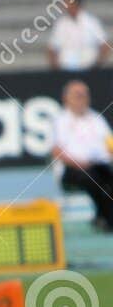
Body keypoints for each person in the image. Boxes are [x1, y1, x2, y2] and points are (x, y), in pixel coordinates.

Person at [52, 79, 113, 230]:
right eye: (77, 95)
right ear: (66, 98)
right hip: (73, 169)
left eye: (84, 95)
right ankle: (106, 217)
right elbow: (57, 151)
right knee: (91, 177)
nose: (82, 99)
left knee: (105, 177)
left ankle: (103, 216)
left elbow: (109, 143)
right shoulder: (60, 120)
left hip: (99, 165)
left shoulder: (96, 118)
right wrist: (80, 164)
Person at [48, 0, 110, 71]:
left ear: (76, 3)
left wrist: (97, 65)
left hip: (89, 70)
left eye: (67, 2)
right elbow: (52, 48)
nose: (65, 5)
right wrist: (56, 67)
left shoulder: (91, 22)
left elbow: (105, 45)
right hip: (65, 70)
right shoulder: (60, 24)